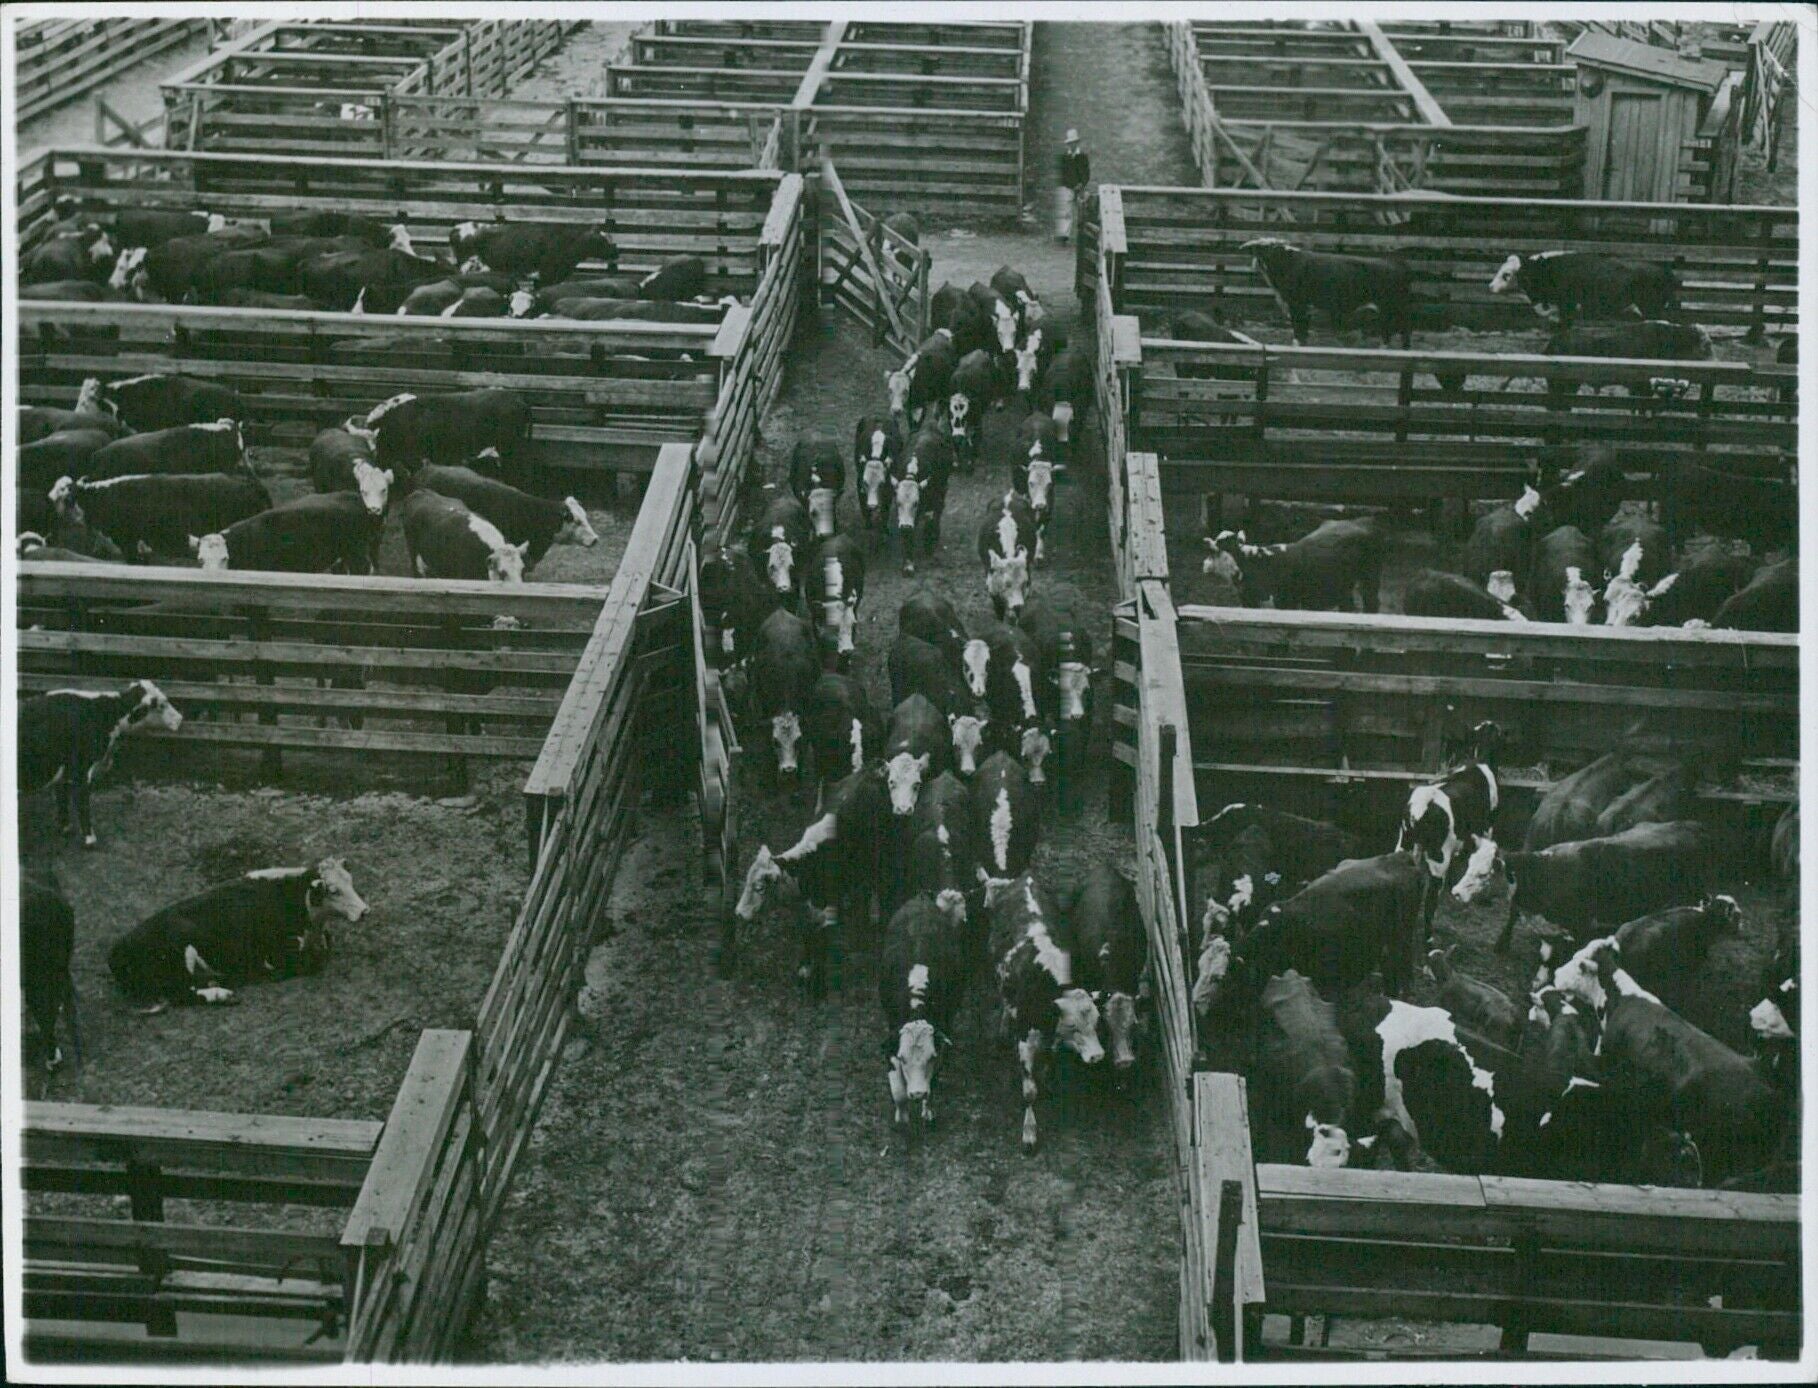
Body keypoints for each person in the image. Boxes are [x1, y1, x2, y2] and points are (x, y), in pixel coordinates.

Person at [1056, 129, 1090, 244]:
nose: (1072, 145)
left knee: (1084, 211)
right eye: (1070, 143)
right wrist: (1071, 186)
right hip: (1068, 187)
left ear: (1077, 143)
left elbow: (1086, 174)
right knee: (1066, 212)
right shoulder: (1064, 158)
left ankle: (1084, 236)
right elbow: (1062, 175)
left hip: (1080, 188)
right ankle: (1064, 237)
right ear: (1068, 144)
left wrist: (1081, 184)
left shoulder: (1083, 157)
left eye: (1074, 142)